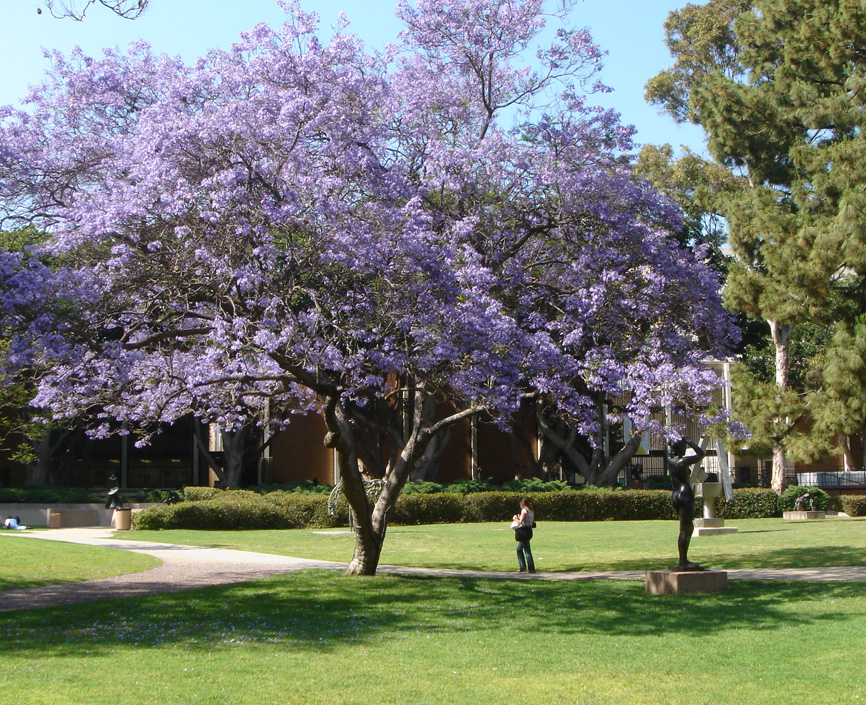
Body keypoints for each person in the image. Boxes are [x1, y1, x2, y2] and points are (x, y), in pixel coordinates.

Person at [667, 437, 705, 571]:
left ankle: (683, 558)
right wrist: (690, 441)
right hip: (685, 494)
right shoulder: (683, 461)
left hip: (676, 494)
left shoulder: (670, 460)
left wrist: (673, 437)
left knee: (689, 528)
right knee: (685, 529)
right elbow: (701, 454)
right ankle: (683, 560)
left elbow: (668, 447)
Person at [512, 497, 536, 574]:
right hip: (529, 530)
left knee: (527, 550)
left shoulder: (524, 510)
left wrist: (515, 518)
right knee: (519, 549)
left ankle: (531, 568)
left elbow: (520, 522)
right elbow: (532, 521)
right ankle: (523, 567)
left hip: (524, 531)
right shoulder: (531, 511)